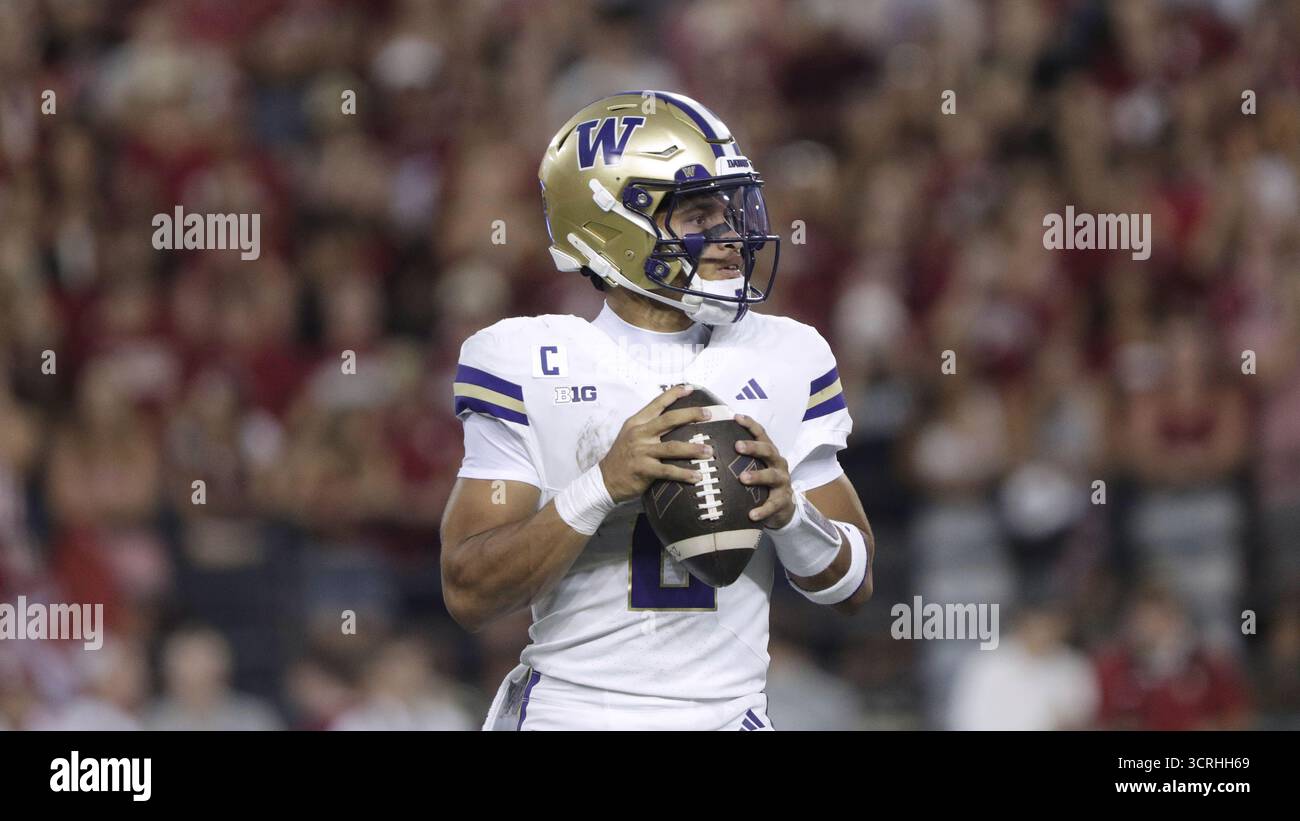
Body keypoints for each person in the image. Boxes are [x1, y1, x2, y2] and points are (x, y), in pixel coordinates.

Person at [440, 91, 875, 730]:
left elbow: (853, 588)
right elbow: (470, 591)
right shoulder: (529, 361)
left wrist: (792, 515)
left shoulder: (787, 353)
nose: (730, 239)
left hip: (729, 717)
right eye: (699, 218)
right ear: (613, 228)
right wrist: (601, 487)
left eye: (730, 213)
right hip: (575, 713)